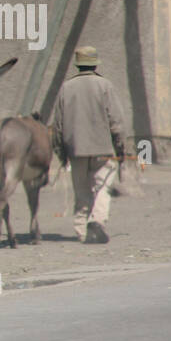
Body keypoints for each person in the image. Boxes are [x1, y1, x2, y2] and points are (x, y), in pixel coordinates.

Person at [50, 45, 126, 244]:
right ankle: (98, 222)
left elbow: (57, 126)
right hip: (103, 150)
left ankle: (82, 231)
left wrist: (61, 152)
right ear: (95, 63)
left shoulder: (67, 88)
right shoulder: (105, 86)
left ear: (78, 64)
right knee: (102, 188)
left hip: (76, 150)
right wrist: (120, 148)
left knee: (81, 191)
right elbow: (116, 122)